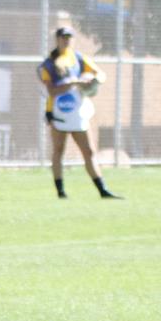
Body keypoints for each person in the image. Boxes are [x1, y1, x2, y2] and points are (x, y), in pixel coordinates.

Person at [38, 24, 119, 200]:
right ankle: (60, 191)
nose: (66, 40)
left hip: (77, 112)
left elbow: (100, 74)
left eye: (69, 37)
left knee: (89, 151)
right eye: (63, 37)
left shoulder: (78, 59)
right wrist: (72, 83)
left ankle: (102, 190)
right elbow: (51, 91)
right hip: (58, 111)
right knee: (58, 150)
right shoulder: (49, 64)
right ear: (57, 39)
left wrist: (92, 81)